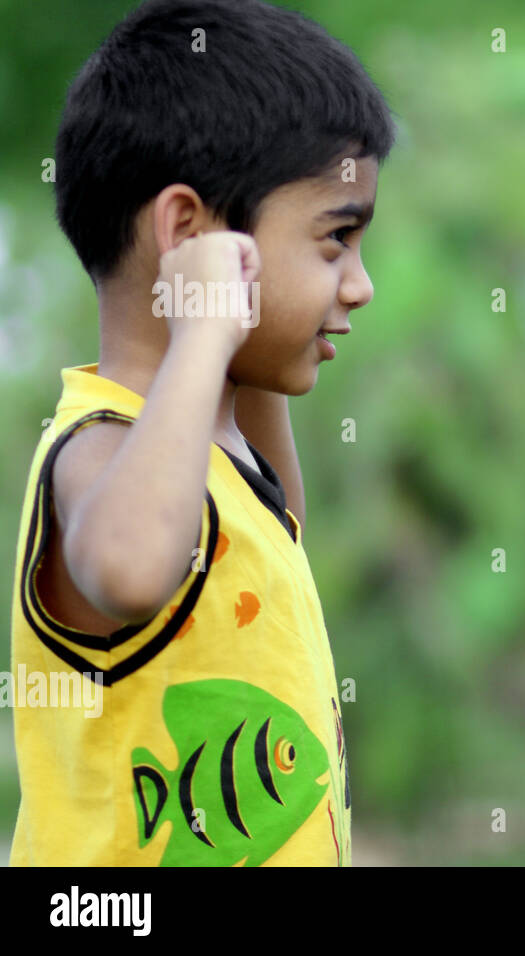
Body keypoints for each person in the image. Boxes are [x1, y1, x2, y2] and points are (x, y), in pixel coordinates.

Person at [9, 0, 394, 865]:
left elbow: (276, 530)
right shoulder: (99, 449)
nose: (361, 284)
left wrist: (232, 348)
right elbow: (133, 568)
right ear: (187, 234)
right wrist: (208, 325)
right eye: (336, 241)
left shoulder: (223, 459)